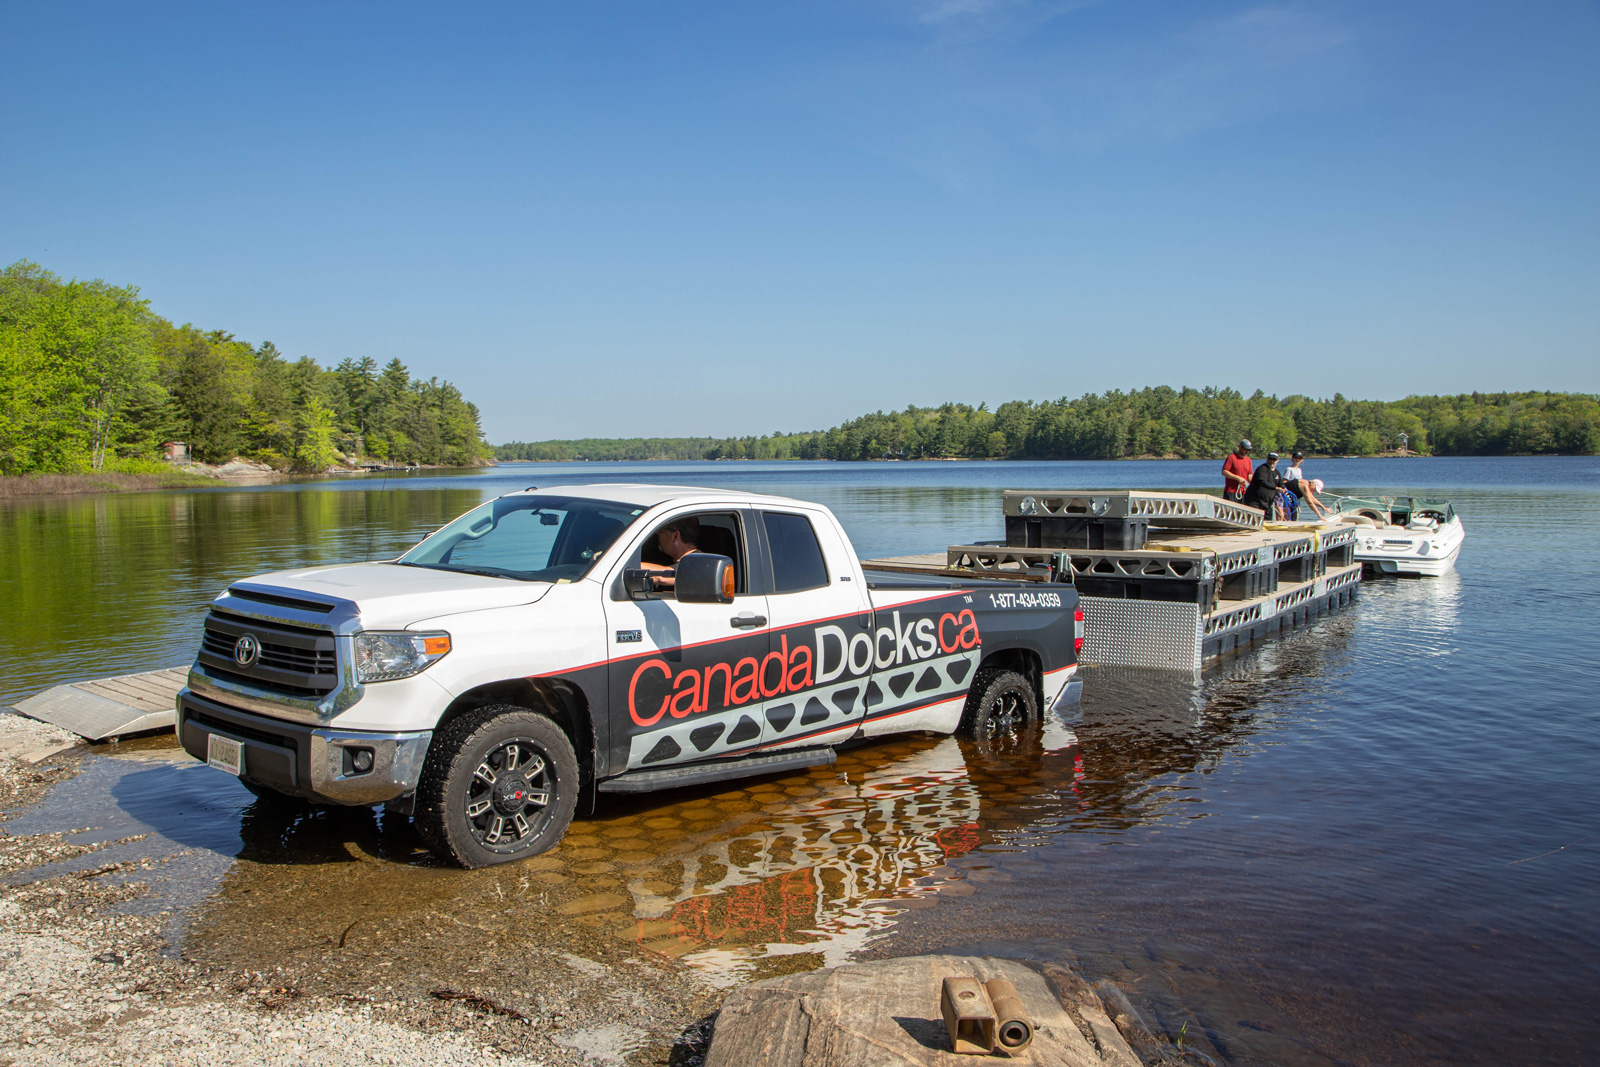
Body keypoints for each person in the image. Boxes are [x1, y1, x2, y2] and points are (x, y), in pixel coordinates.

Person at [641, 516, 700, 589]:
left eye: (661, 531)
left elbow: (664, 576)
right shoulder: (668, 559)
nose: (658, 535)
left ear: (675, 536)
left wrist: (629, 564)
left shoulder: (698, 562)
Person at [1245, 451, 1283, 518]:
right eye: (1270, 459)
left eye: (1274, 460)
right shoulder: (1262, 469)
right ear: (1267, 459)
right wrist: (1275, 488)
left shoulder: (1277, 473)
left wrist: (1284, 489)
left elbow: (1281, 484)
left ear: (1277, 460)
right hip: (1255, 501)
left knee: (1268, 520)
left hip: (1267, 503)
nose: (1272, 461)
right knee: (1255, 519)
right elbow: (1262, 482)